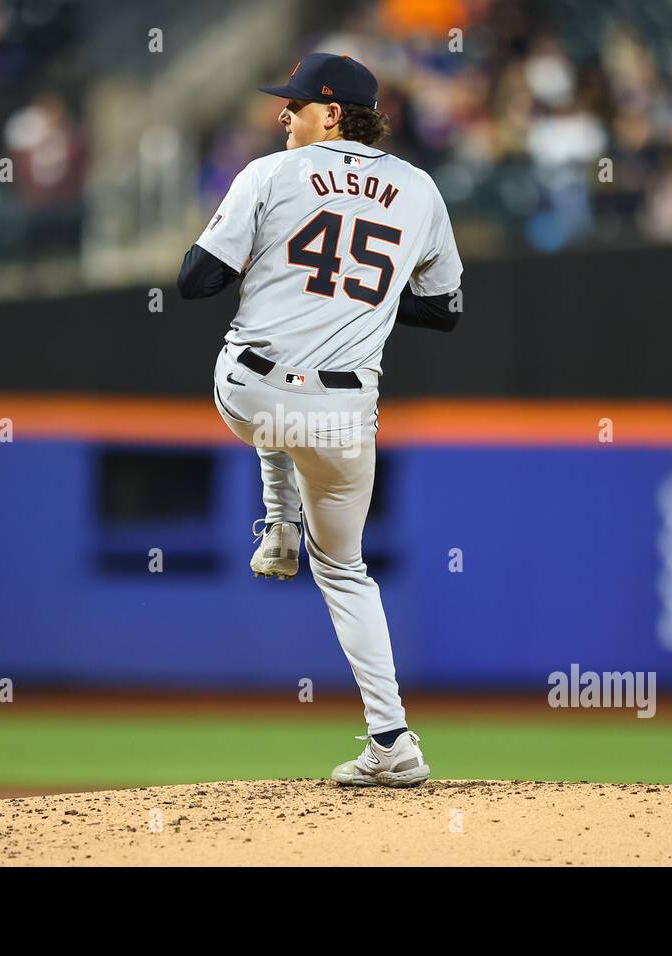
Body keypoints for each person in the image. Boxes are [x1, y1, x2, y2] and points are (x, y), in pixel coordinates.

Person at [178, 53, 463, 787]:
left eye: (296, 104)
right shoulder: (421, 187)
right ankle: (394, 741)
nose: (284, 114)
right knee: (346, 569)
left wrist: (273, 264)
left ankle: (277, 525)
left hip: (251, 395)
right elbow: (447, 311)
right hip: (345, 417)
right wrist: (366, 295)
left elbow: (195, 282)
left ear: (332, 113)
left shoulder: (269, 174)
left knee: (260, 391)